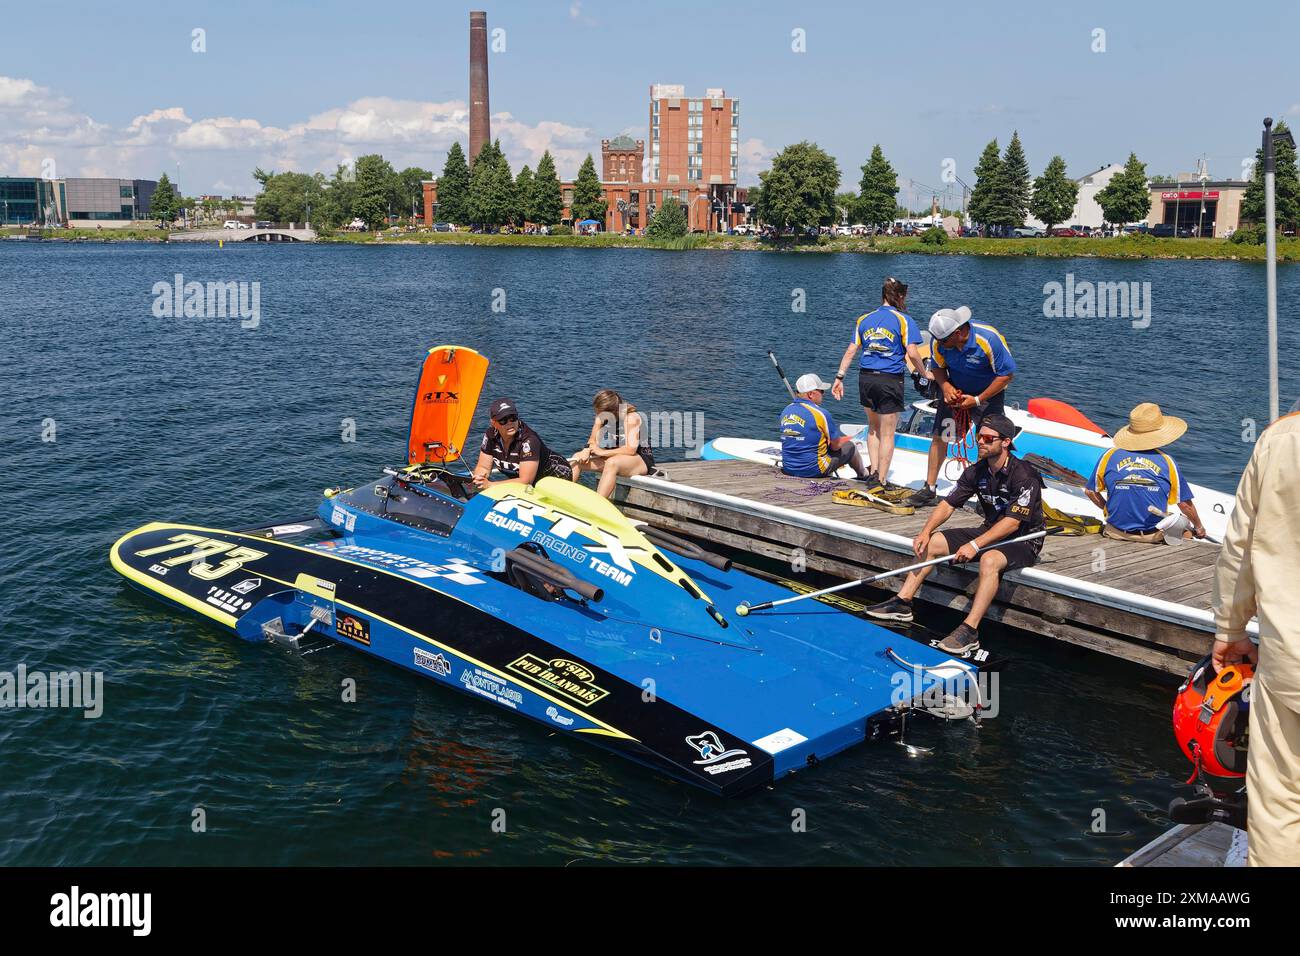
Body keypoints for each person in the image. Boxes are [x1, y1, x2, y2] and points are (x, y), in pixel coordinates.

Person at [865, 413, 1044, 656]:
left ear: (1005, 442)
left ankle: (970, 630)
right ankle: (903, 602)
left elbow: (1013, 523)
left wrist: (974, 544)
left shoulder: (1024, 475)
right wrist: (925, 532)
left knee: (990, 560)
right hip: (990, 530)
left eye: (988, 438)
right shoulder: (977, 471)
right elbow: (948, 504)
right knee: (933, 542)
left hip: (1023, 538)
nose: (981, 441)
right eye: (979, 436)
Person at [1212, 406, 1300, 866]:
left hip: (1290, 659)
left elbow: (1240, 548)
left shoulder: (1280, 440)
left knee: (1282, 800)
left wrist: (1229, 629)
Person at [909, 306, 1016, 506]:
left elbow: (1006, 375)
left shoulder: (988, 339)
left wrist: (977, 400)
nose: (939, 344)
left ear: (958, 333)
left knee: (988, 442)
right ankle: (929, 488)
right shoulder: (939, 341)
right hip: (955, 395)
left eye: (943, 341)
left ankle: (990, 495)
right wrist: (946, 386)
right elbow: (938, 368)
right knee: (941, 437)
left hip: (988, 396)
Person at [831, 276, 927, 488]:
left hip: (866, 378)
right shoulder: (904, 320)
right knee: (887, 433)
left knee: (872, 428)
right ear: (899, 296)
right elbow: (912, 352)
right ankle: (881, 480)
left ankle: (873, 473)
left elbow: (851, 350)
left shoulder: (864, 319)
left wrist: (839, 377)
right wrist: (924, 373)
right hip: (889, 379)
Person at [1083, 402, 1207, 542]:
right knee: (1186, 528)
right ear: (1160, 434)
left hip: (1115, 531)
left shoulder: (1108, 456)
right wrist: (1199, 527)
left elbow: (1090, 491)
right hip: (1151, 535)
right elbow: (1184, 505)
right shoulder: (1167, 461)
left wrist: (1108, 510)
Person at [780, 373, 871, 480]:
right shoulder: (821, 414)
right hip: (813, 469)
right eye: (821, 391)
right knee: (850, 446)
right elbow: (836, 446)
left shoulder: (786, 410)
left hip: (789, 468)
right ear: (811, 394)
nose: (823, 394)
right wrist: (847, 439)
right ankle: (864, 474)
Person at [571, 389, 655, 498]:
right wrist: (586, 450)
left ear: (612, 411)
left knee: (612, 463)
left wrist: (602, 452)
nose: (597, 415)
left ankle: (597, 504)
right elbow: (592, 441)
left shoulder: (631, 418)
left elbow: (630, 450)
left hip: (640, 460)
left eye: (600, 413)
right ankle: (562, 497)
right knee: (577, 459)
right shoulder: (601, 417)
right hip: (616, 456)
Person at [471, 398, 572, 489]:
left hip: (556, 474)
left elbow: (525, 481)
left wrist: (490, 485)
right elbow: (483, 467)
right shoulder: (490, 435)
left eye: (513, 417)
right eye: (503, 420)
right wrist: (479, 478)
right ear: (493, 423)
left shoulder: (529, 440)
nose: (509, 423)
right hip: (530, 483)